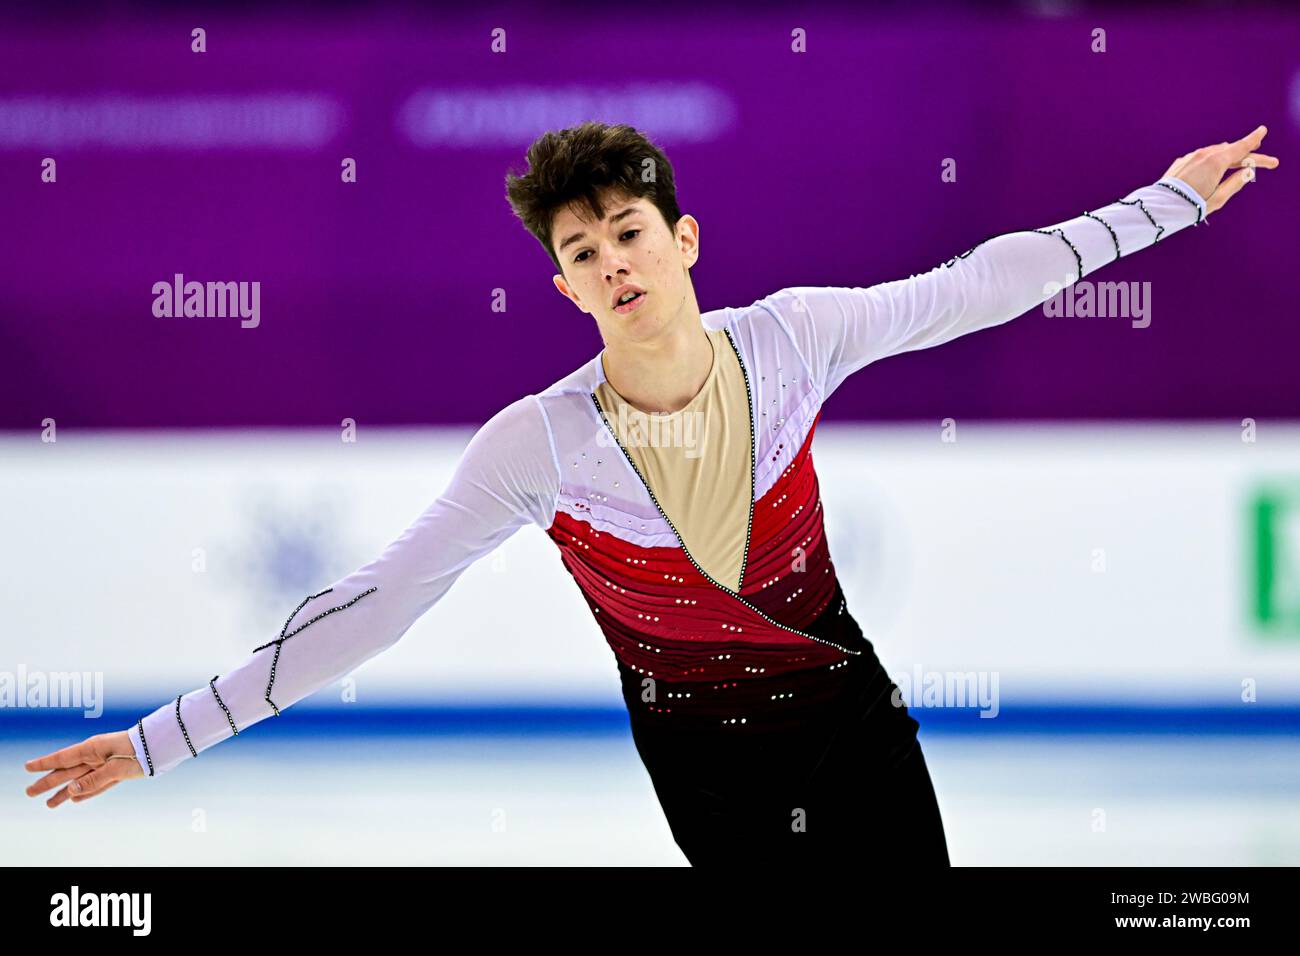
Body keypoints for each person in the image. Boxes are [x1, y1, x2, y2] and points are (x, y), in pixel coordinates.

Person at [24, 121, 1278, 866]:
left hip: (854, 723)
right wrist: (158, 740)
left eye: (627, 231)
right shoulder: (541, 445)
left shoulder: (792, 337)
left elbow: (975, 285)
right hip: (706, 770)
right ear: (565, 291)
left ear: (682, 240)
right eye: (581, 252)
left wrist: (1162, 204)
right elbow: (372, 604)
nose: (611, 262)